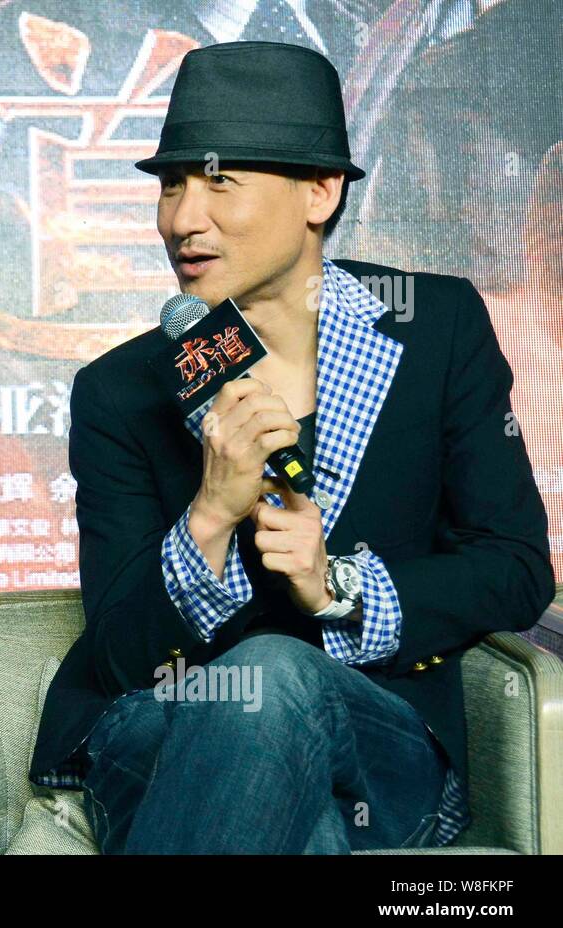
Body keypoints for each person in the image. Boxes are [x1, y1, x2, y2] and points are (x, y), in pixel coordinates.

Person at [28, 41, 554, 853]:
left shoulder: (434, 328)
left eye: (218, 182)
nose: (182, 218)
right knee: (292, 800)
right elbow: (119, 654)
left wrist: (338, 586)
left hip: (376, 734)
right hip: (164, 729)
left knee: (275, 678)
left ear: (320, 190)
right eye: (171, 186)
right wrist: (209, 516)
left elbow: (516, 567)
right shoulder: (124, 389)